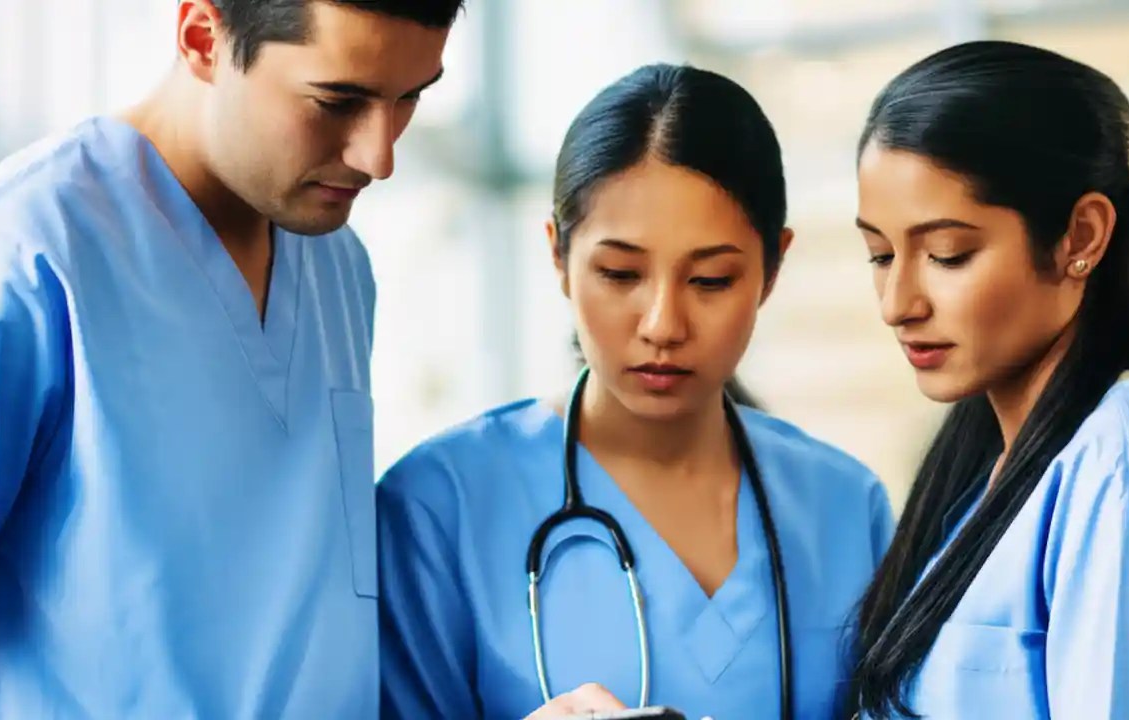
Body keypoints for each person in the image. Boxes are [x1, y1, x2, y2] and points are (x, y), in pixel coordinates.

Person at [0, 0, 462, 716]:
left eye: (409, 98)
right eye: (338, 102)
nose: (378, 156)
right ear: (203, 37)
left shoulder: (339, 268)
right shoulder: (17, 259)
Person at [378, 63, 895, 720]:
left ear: (772, 269)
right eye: (620, 273)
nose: (663, 326)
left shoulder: (847, 506)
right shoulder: (437, 506)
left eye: (710, 281)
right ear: (559, 258)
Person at [850, 40, 1129, 719]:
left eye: (949, 254)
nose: (898, 305)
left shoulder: (1125, 450)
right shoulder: (980, 470)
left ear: (1081, 236)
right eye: (881, 255)